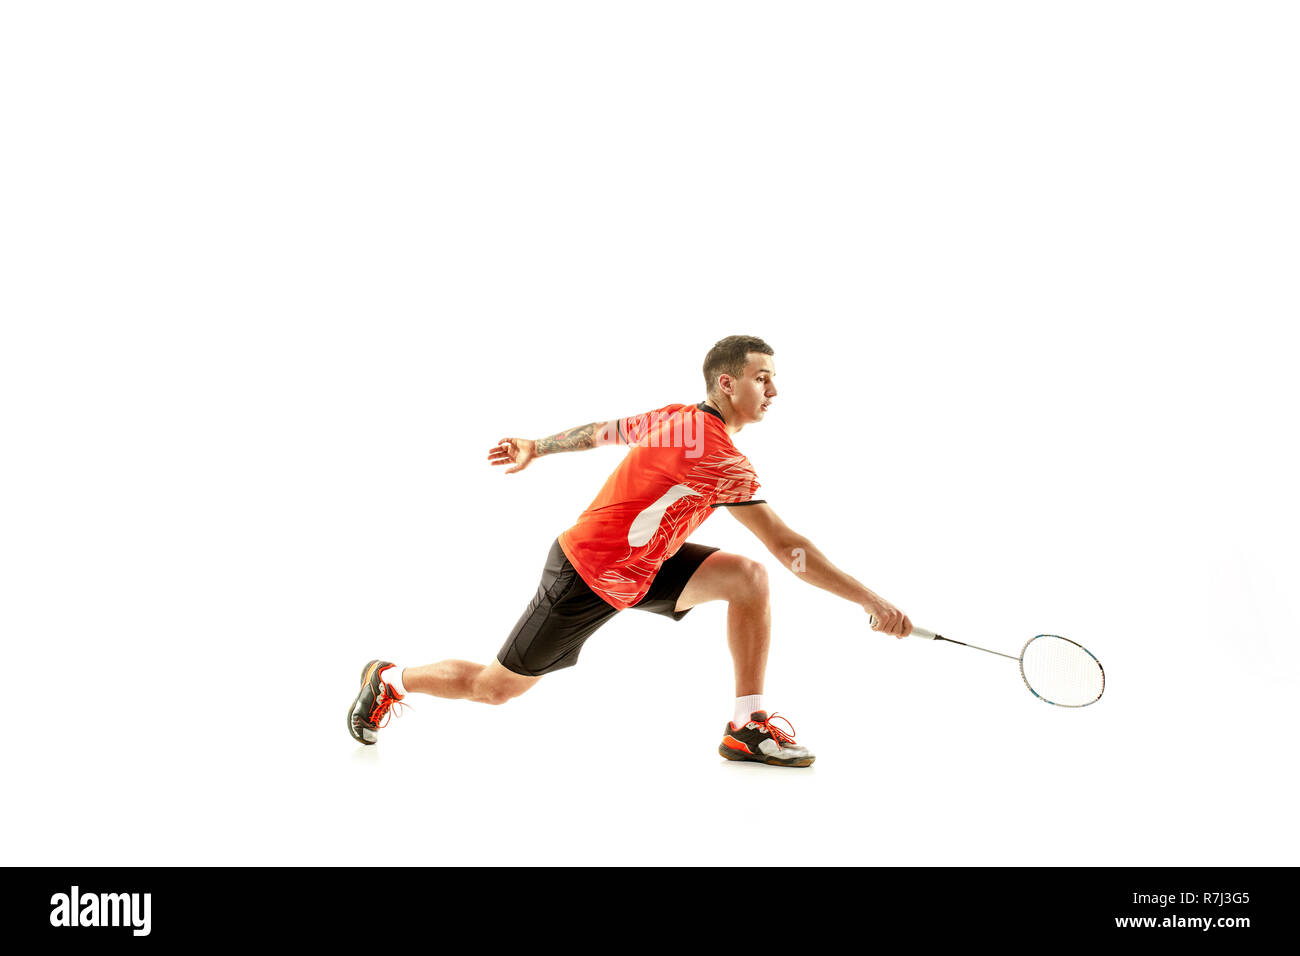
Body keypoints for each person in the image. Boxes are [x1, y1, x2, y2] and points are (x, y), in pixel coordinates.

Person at [347, 335, 912, 766]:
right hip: (586, 574)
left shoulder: (679, 420)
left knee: (747, 578)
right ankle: (390, 679)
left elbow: (601, 432)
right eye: (762, 378)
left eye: (772, 379)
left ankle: (747, 726)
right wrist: (870, 601)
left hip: (644, 567)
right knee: (494, 690)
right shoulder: (716, 455)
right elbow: (789, 546)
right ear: (725, 384)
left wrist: (537, 448)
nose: (774, 391)